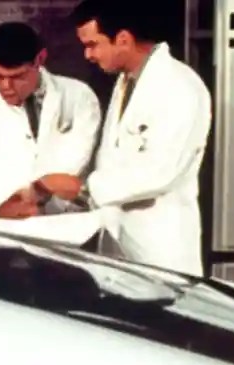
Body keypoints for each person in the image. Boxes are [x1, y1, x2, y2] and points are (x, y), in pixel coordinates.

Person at [36, 0, 212, 275]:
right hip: (121, 243)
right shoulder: (126, 82)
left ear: (123, 39)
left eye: (93, 44)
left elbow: (161, 170)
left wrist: (83, 189)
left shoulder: (179, 87)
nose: (87, 55)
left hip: (161, 248)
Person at [0, 21, 102, 219]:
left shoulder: (79, 97)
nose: (6, 86)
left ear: (40, 59)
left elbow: (68, 175)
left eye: (17, 77)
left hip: (64, 225)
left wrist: (36, 194)